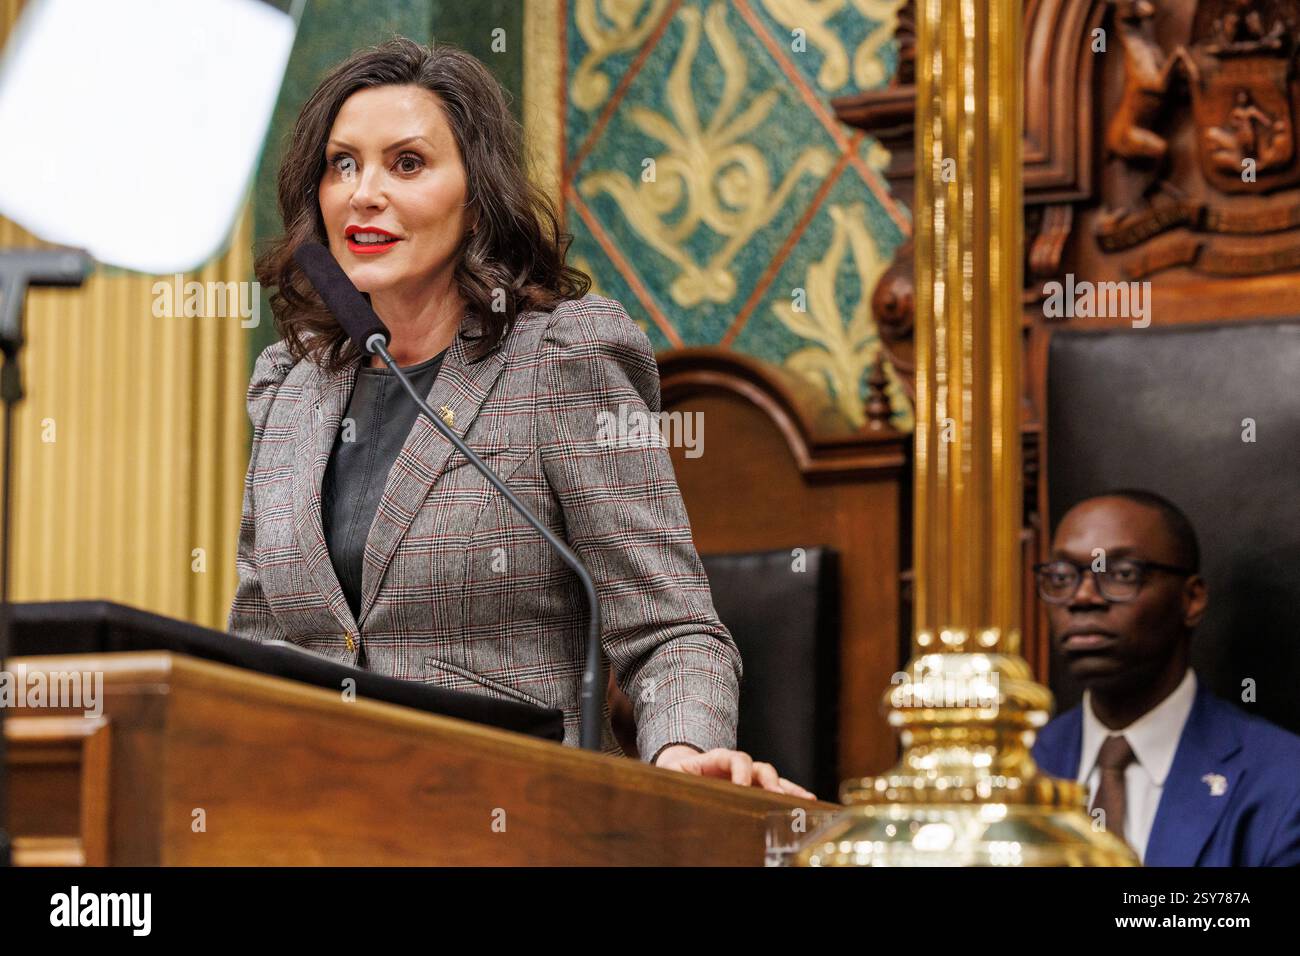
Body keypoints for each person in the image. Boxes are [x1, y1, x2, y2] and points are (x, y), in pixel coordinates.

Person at [229, 37, 813, 799]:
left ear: (477, 197)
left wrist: (682, 756)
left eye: (406, 163)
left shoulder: (563, 359)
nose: (363, 192)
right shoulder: (292, 386)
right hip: (308, 815)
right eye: (343, 165)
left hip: (518, 814)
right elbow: (254, 646)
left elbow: (672, 631)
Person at [1031, 490, 1300, 865]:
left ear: (1191, 599)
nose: (1083, 596)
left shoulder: (1284, 780)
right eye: (1060, 577)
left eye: (1122, 574)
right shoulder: (1023, 767)